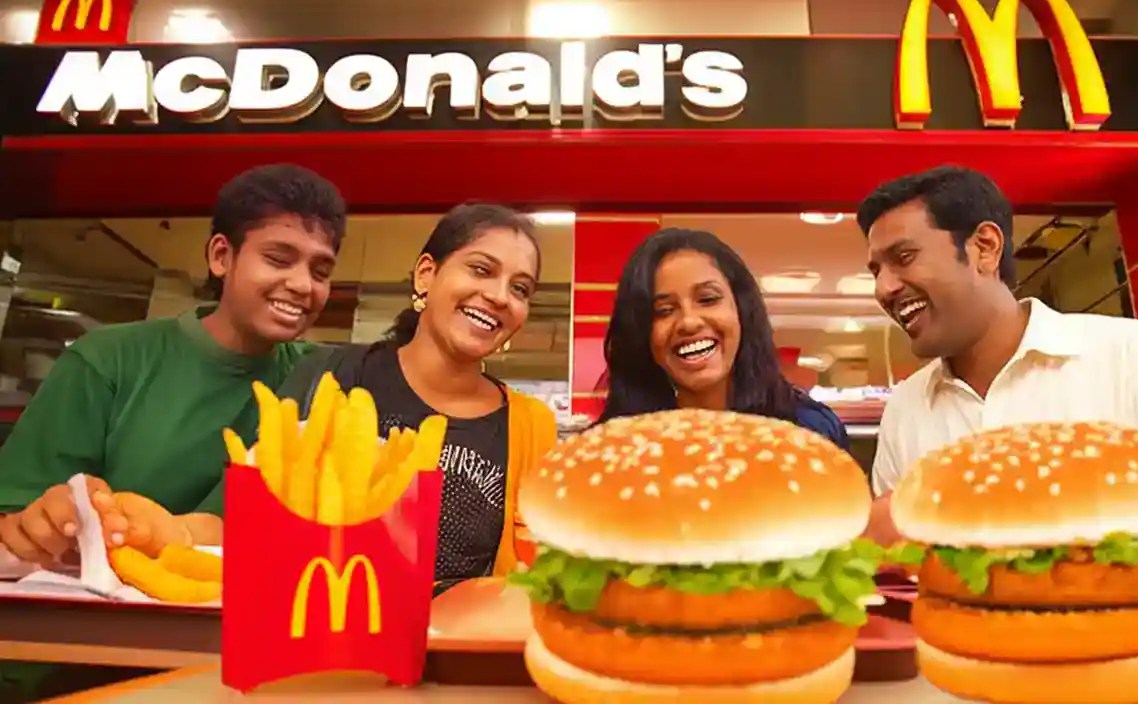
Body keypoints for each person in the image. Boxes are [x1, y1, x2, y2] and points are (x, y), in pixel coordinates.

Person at [0, 163, 346, 699]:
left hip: (241, 668)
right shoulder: (108, 361)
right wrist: (42, 528)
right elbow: (14, 526)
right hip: (75, 663)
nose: (302, 285)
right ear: (221, 256)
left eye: (320, 270)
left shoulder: (322, 382)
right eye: (279, 258)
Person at [859, 165, 1138, 543]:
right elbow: (895, 563)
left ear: (985, 247)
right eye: (876, 271)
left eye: (904, 258)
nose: (884, 288)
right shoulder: (906, 407)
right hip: (956, 620)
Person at [274, 203, 557, 596]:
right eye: (481, 269)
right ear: (427, 274)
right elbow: (266, 522)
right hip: (326, 634)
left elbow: (532, 575)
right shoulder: (332, 376)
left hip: (460, 650)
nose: (499, 296)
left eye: (520, 288)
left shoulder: (531, 424)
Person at [597, 228, 848, 448]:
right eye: (663, 311)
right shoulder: (610, 449)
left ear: (741, 309)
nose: (689, 322)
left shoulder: (812, 430)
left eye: (708, 299)